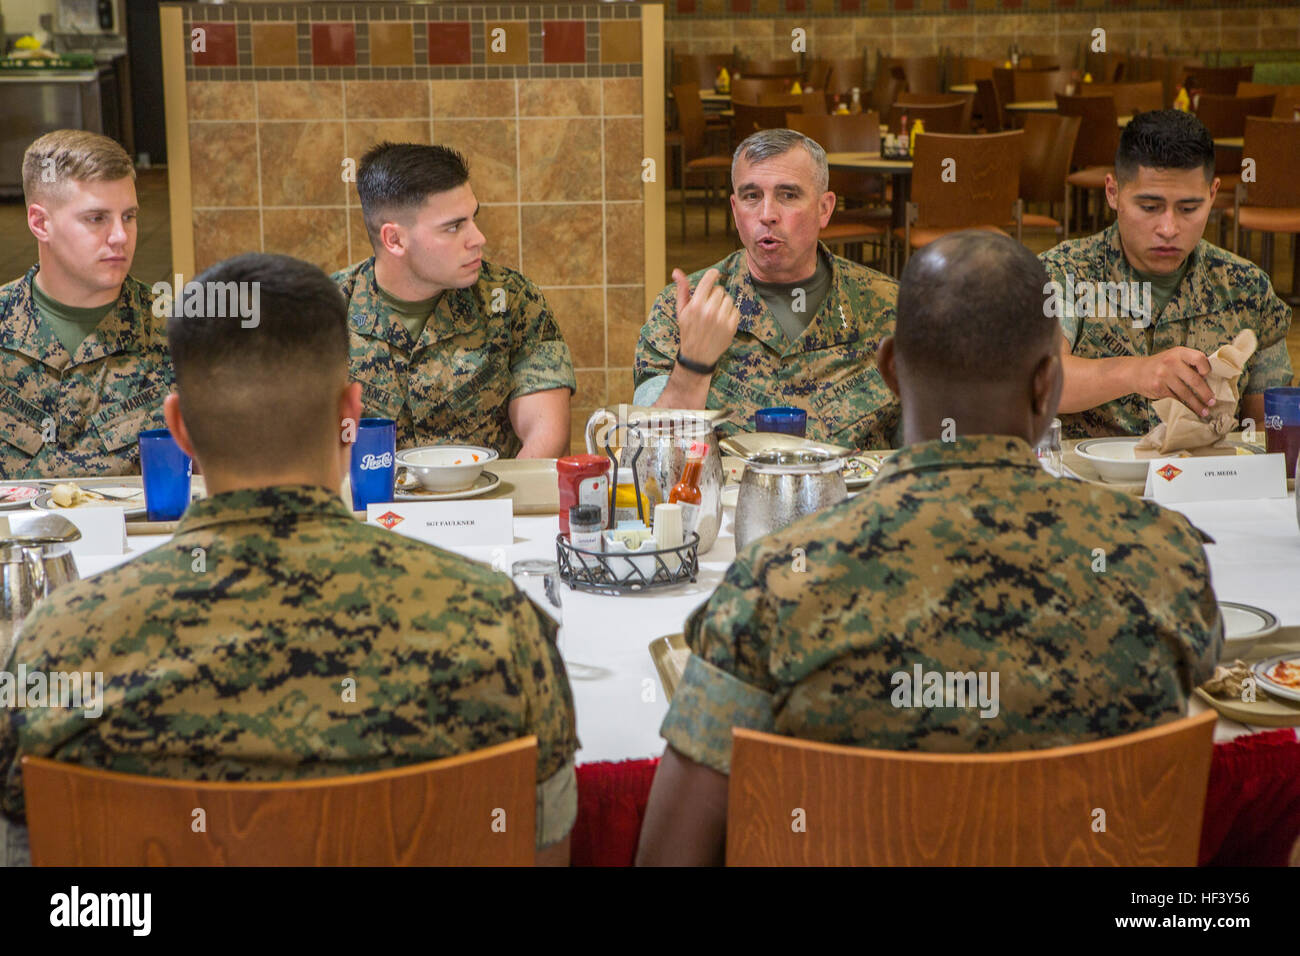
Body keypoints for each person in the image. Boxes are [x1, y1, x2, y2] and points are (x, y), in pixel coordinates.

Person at [635, 231, 1222, 866]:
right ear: (1049, 386)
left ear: (889, 369)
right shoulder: (1163, 557)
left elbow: (672, 854)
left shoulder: (774, 582)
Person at [0, 253, 578, 867]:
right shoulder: (497, 628)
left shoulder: (56, 651)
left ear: (178, 429)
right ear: (351, 415)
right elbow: (545, 851)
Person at [634, 128, 900, 450]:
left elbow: (929, 456)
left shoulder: (889, 307)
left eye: (788, 195)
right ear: (734, 209)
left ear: (824, 208)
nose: (767, 215)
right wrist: (693, 366)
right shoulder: (683, 310)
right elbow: (648, 455)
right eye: (751, 196)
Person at [1042, 109, 1292, 439]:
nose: (1168, 228)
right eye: (1149, 207)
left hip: (1206, 484)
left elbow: (1266, 425)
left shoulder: (1247, 288)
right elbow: (1038, 382)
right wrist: (1135, 372)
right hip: (1086, 482)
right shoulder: (1065, 273)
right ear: (1113, 192)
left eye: (1188, 208)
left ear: (1213, 194)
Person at [335, 142, 575, 459]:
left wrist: (499, 508)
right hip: (371, 507)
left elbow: (546, 433)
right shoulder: (326, 310)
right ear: (394, 239)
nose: (478, 239)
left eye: (472, 218)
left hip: (490, 502)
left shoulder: (511, 300)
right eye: (454, 227)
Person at [0, 129, 170, 478]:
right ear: (40, 222)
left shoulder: (178, 331)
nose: (120, 236)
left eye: (129, 216)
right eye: (97, 219)